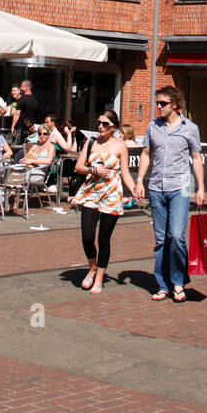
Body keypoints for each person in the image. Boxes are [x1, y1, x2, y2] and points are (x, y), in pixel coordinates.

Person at [135, 86, 205, 302]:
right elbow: (146, 153)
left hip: (179, 187)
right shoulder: (153, 127)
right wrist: (139, 180)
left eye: (163, 103)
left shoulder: (190, 128)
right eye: (157, 103)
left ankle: (178, 281)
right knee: (160, 239)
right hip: (157, 187)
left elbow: (196, 157)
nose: (158, 106)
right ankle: (163, 285)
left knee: (175, 235)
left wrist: (201, 187)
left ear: (175, 105)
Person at [70, 110, 136, 294]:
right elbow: (78, 167)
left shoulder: (121, 146)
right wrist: (94, 170)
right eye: (99, 123)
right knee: (87, 237)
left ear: (113, 127)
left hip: (111, 194)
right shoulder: (91, 142)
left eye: (105, 124)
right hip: (91, 193)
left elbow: (125, 173)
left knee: (104, 238)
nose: (100, 126)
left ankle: (99, 277)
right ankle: (92, 267)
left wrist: (134, 189)